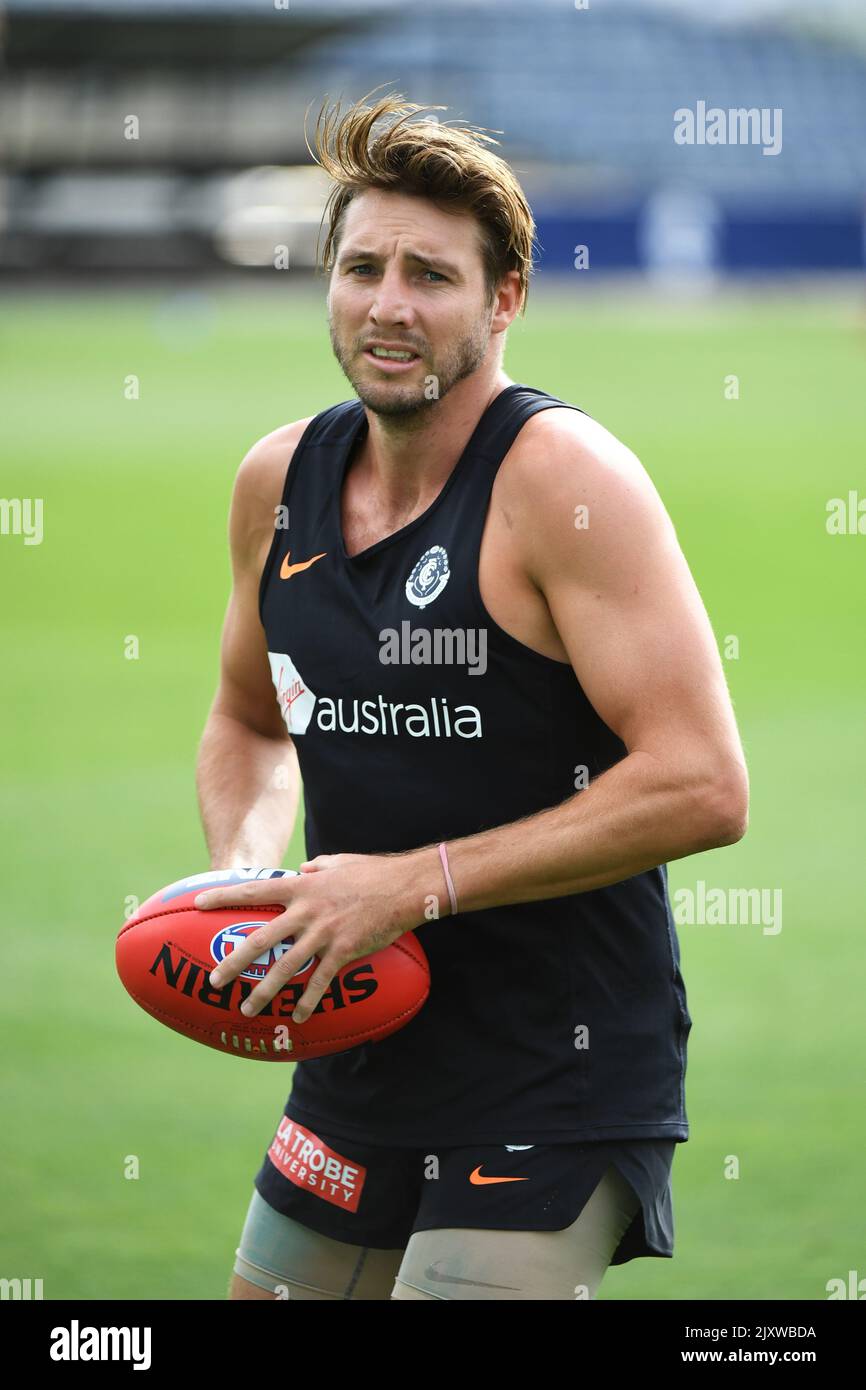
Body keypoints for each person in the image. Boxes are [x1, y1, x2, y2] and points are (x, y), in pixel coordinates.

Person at [194, 92, 749, 1301]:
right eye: (362, 267)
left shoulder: (563, 481)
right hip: (357, 1039)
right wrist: (244, 876)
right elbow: (247, 719)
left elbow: (702, 783)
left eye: (431, 276)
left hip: (553, 1068)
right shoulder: (277, 480)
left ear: (502, 301)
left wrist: (410, 884)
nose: (388, 305)